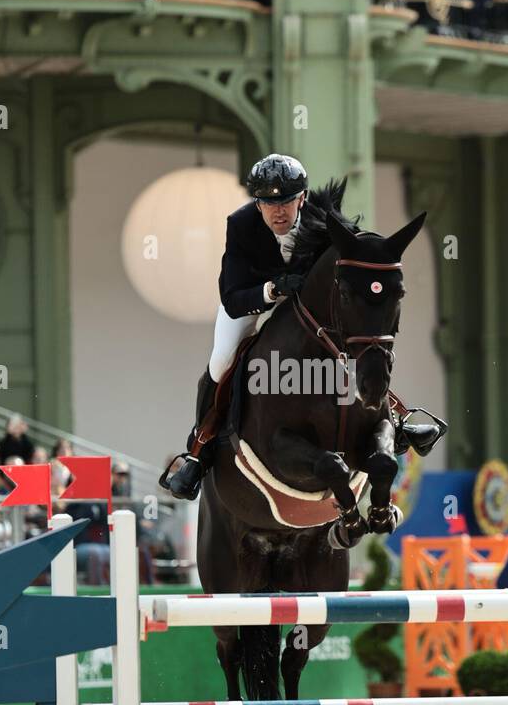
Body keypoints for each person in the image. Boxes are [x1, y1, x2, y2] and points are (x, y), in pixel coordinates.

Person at [161, 153, 440, 502]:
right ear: (257, 203)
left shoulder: (324, 221)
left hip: (309, 309)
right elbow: (232, 295)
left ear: (302, 199)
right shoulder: (241, 224)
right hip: (256, 301)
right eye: (268, 202)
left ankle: (394, 422)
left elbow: (355, 265)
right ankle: (199, 450)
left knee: (361, 341)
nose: (278, 211)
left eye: (287, 201)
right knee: (220, 361)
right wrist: (272, 289)